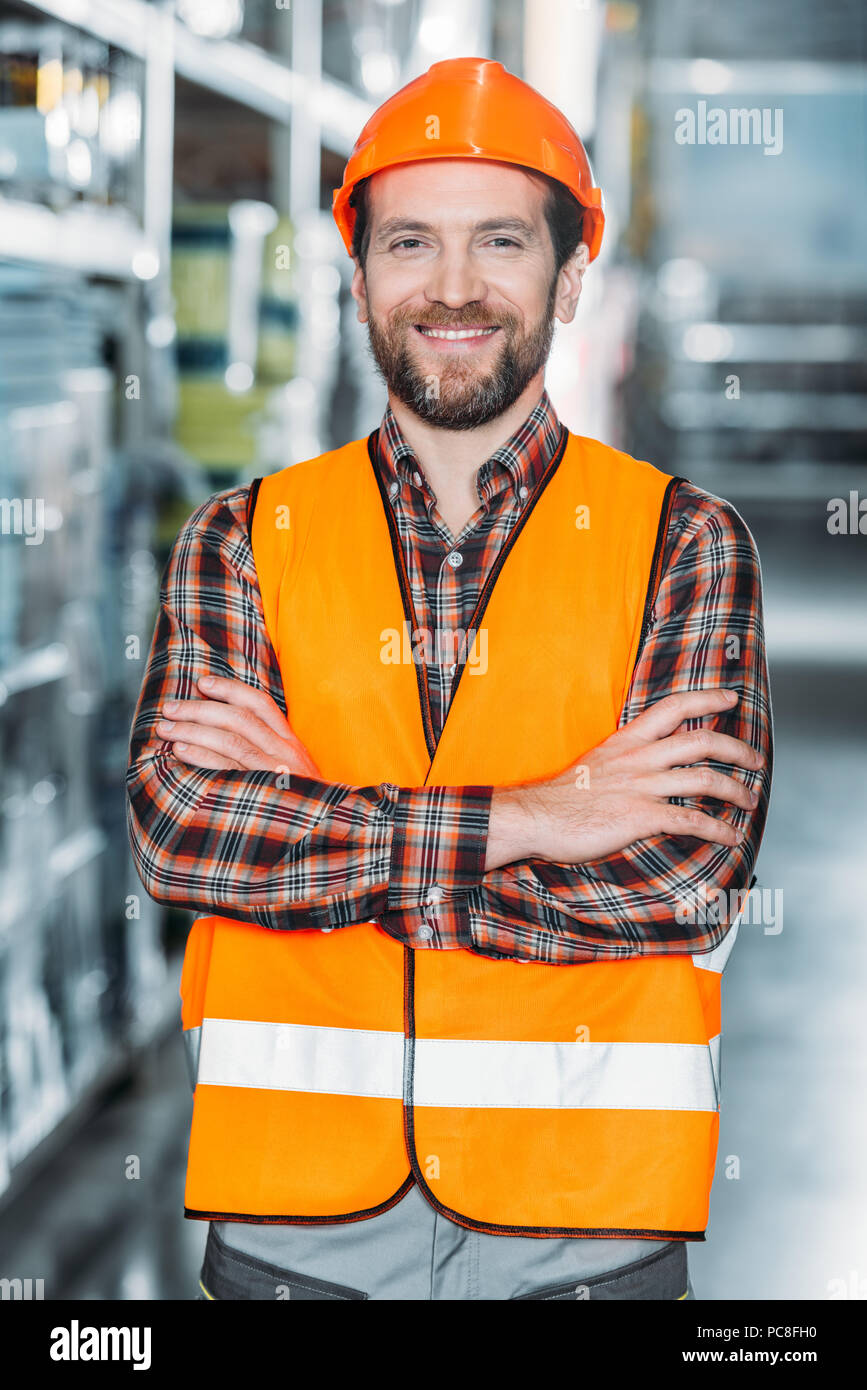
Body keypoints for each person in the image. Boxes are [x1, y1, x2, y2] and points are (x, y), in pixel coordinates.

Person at [126, 58, 772, 1301]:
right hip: (296, 1226)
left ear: (570, 276)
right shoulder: (240, 541)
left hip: (586, 1222)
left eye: (502, 242)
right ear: (359, 274)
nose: (455, 287)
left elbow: (684, 881)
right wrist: (543, 815)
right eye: (411, 241)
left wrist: (326, 847)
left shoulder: (683, 544)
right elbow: (185, 838)